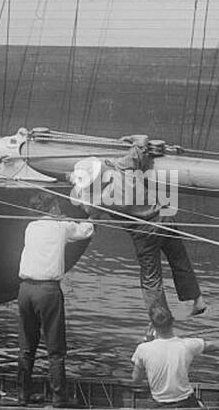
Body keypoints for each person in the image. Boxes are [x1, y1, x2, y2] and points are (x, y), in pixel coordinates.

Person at [84, 134, 206, 322]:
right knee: (179, 260)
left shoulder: (99, 200)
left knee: (151, 277)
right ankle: (197, 301)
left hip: (144, 232)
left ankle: (159, 321)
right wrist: (130, 139)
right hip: (164, 217)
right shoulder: (124, 167)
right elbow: (142, 140)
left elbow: (88, 211)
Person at [16, 192, 94, 407]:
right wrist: (91, 214)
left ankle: (23, 394)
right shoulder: (61, 226)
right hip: (47, 290)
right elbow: (85, 231)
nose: (60, 209)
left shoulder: (30, 227)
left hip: (25, 290)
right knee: (55, 348)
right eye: (58, 206)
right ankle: (60, 397)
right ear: (52, 209)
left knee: (26, 346)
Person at [130, 303, 219, 409]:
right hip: (186, 402)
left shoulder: (143, 349)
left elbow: (136, 380)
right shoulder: (188, 345)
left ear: (152, 326)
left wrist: (149, 342)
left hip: (159, 404)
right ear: (172, 322)